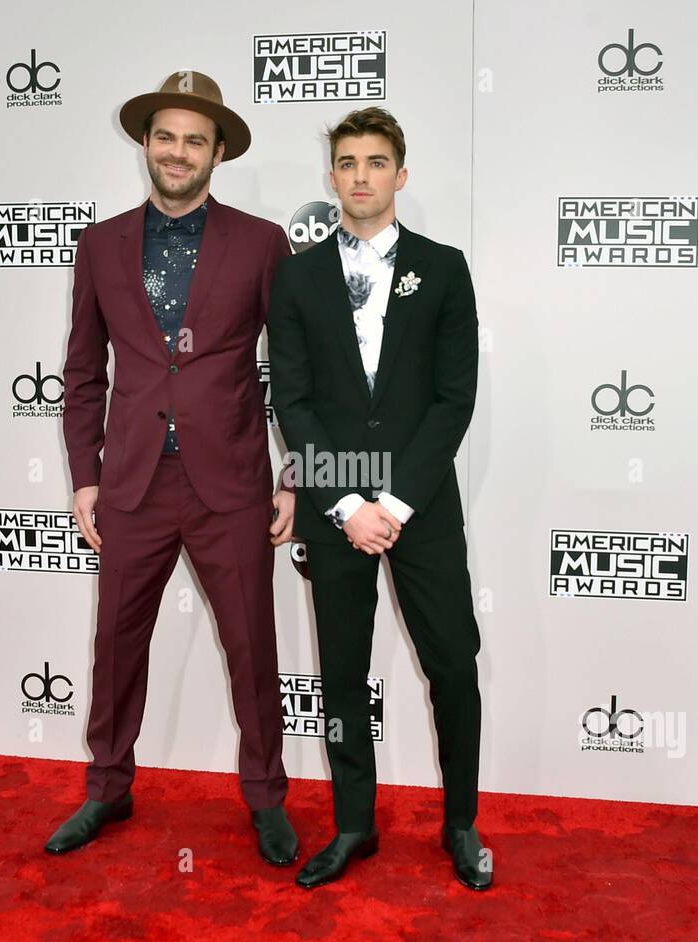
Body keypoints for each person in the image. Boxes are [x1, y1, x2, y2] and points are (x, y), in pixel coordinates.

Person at [48, 70, 299, 866]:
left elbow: (293, 373)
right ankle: (107, 788)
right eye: (165, 136)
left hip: (229, 482)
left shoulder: (262, 243)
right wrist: (84, 476)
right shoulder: (101, 243)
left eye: (195, 139)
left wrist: (297, 473)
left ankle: (266, 797)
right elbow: (84, 371)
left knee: (252, 647)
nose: (178, 151)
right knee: (115, 644)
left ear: (218, 151)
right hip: (131, 482)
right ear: (145, 145)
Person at [267, 107, 491, 890]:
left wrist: (392, 505)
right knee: (340, 675)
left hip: (421, 504)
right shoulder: (293, 278)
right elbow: (291, 402)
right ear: (330, 178)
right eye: (347, 162)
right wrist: (343, 504)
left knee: (454, 663)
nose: (360, 175)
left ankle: (460, 821)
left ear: (401, 173)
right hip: (334, 509)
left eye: (375, 161)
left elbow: (452, 399)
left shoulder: (446, 267)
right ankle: (353, 824)